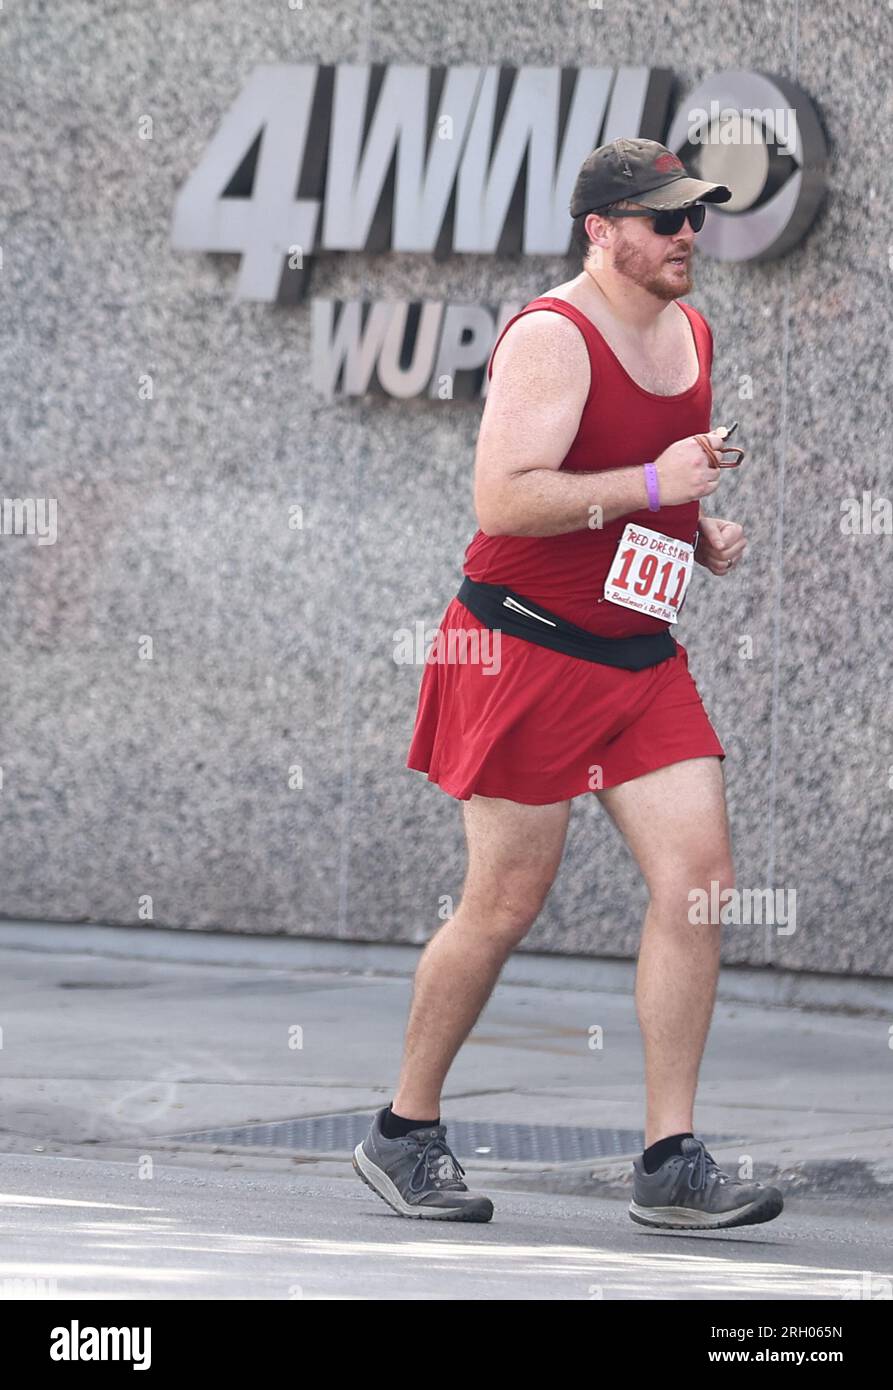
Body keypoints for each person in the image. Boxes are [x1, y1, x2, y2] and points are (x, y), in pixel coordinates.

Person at [353, 137, 784, 1231]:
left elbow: (656, 493)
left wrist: (696, 532)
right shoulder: (552, 334)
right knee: (503, 901)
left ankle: (669, 1161)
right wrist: (651, 480)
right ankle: (403, 1130)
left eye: (693, 216)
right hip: (522, 648)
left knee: (698, 881)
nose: (687, 235)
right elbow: (503, 500)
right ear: (601, 231)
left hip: (638, 656)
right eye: (662, 219)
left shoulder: (688, 328)